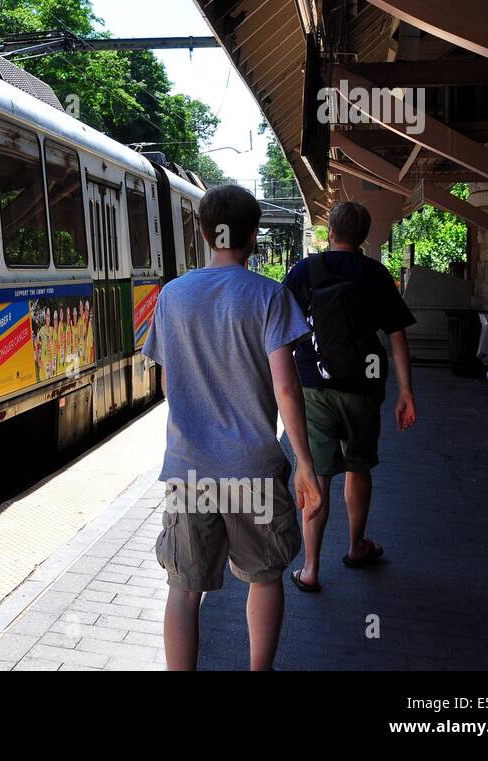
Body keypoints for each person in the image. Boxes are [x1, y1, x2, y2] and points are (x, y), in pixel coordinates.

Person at [142, 185, 322, 671]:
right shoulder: (269, 296)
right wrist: (304, 463)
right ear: (253, 236)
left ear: (203, 232)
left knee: (184, 586)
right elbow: (287, 389)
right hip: (254, 470)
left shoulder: (172, 297)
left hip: (189, 469)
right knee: (264, 576)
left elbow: (168, 386)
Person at [283, 201, 417, 593]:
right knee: (358, 468)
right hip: (363, 388)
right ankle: (357, 546)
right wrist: (406, 390)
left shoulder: (305, 271)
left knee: (316, 475)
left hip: (314, 387)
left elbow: (280, 331)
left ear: (330, 232)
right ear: (364, 236)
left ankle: (309, 569)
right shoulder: (375, 273)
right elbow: (397, 336)